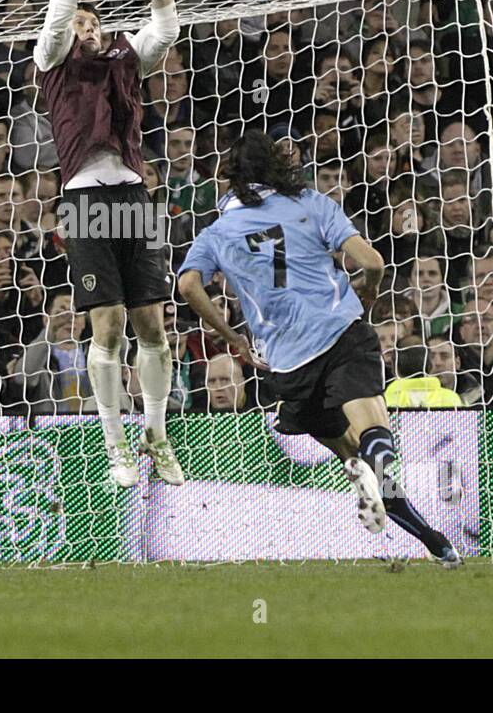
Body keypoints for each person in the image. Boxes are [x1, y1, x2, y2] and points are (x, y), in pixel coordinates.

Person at [177, 131, 463, 567]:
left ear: (231, 177)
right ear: (277, 167)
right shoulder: (311, 203)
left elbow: (187, 285)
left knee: (355, 456)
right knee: (374, 439)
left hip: (288, 362)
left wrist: (231, 337)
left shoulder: (216, 233)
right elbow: (373, 263)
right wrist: (367, 291)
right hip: (338, 330)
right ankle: (396, 493)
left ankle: (436, 543)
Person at [34, 0, 183, 487]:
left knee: (152, 324)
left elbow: (165, 29)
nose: (87, 29)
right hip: (85, 200)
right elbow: (58, 12)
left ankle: (157, 435)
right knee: (109, 325)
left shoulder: (124, 57)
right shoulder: (54, 60)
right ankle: (115, 442)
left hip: (133, 195)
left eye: (94, 22)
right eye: (80, 23)